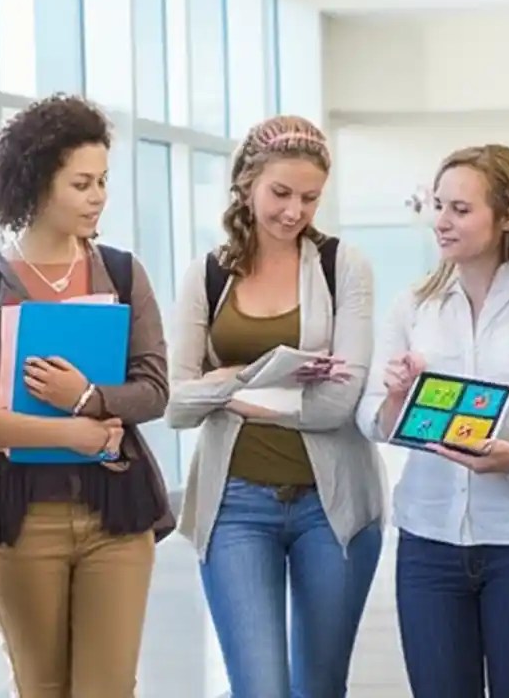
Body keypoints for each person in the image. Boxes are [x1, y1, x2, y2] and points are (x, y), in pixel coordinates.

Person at [0, 94, 171, 698]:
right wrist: (68, 431)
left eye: (102, 182)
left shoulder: (122, 273)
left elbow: (154, 391)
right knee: (42, 687)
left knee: (109, 687)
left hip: (116, 513)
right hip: (22, 518)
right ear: (38, 184)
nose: (98, 196)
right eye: (82, 183)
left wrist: (88, 396)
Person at [356, 144, 509, 697]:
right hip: (428, 548)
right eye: (437, 205)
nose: (441, 222)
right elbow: (372, 420)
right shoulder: (412, 307)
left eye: (460, 210)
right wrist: (397, 396)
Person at [166, 115, 383, 697]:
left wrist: (234, 396)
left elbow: (339, 402)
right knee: (260, 688)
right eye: (280, 193)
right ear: (246, 184)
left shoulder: (343, 267)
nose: (294, 211)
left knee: (320, 688)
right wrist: (247, 377)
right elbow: (177, 401)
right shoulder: (207, 274)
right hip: (235, 504)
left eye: (310, 198)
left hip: (331, 508)